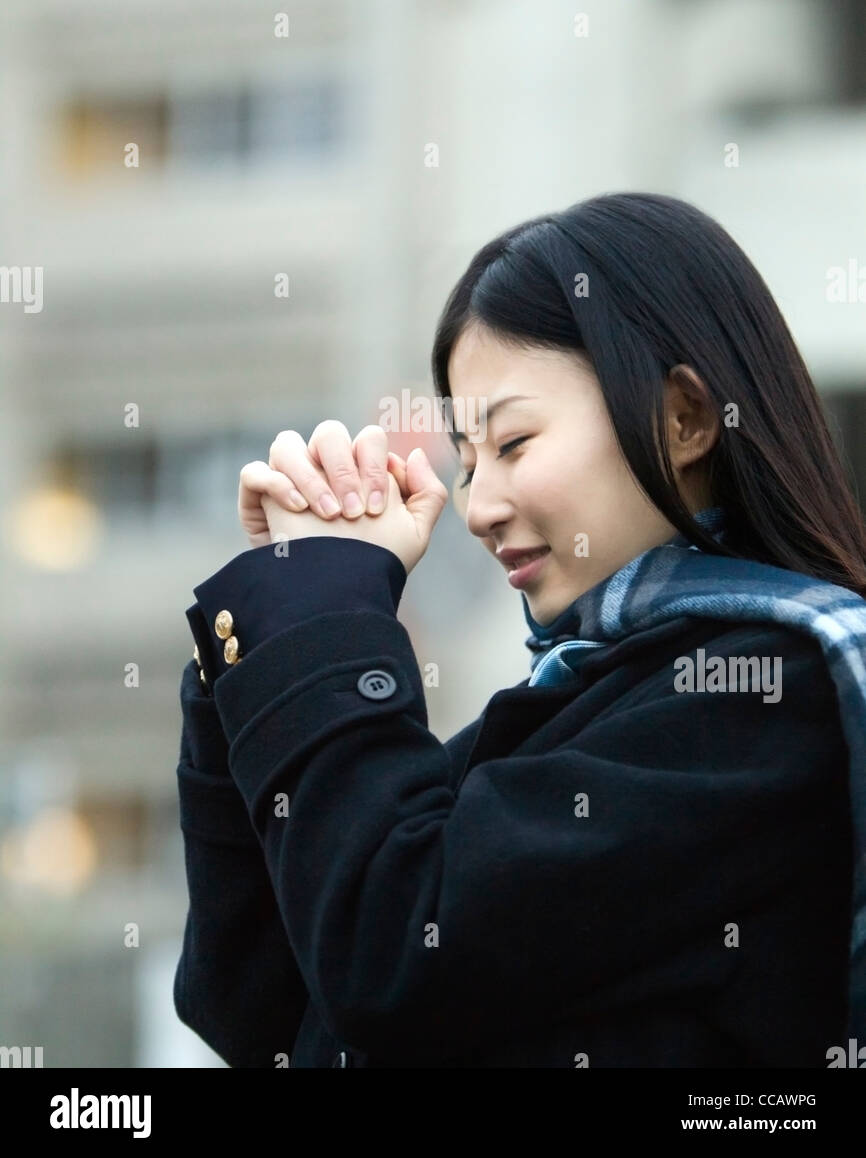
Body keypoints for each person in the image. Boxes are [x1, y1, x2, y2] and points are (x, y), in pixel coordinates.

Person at [174, 191, 866, 1068]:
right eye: (467, 463)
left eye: (512, 444)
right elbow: (260, 1010)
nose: (478, 509)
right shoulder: (576, 702)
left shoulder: (772, 695)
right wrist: (272, 630)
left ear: (684, 419)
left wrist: (323, 614)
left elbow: (396, 950)